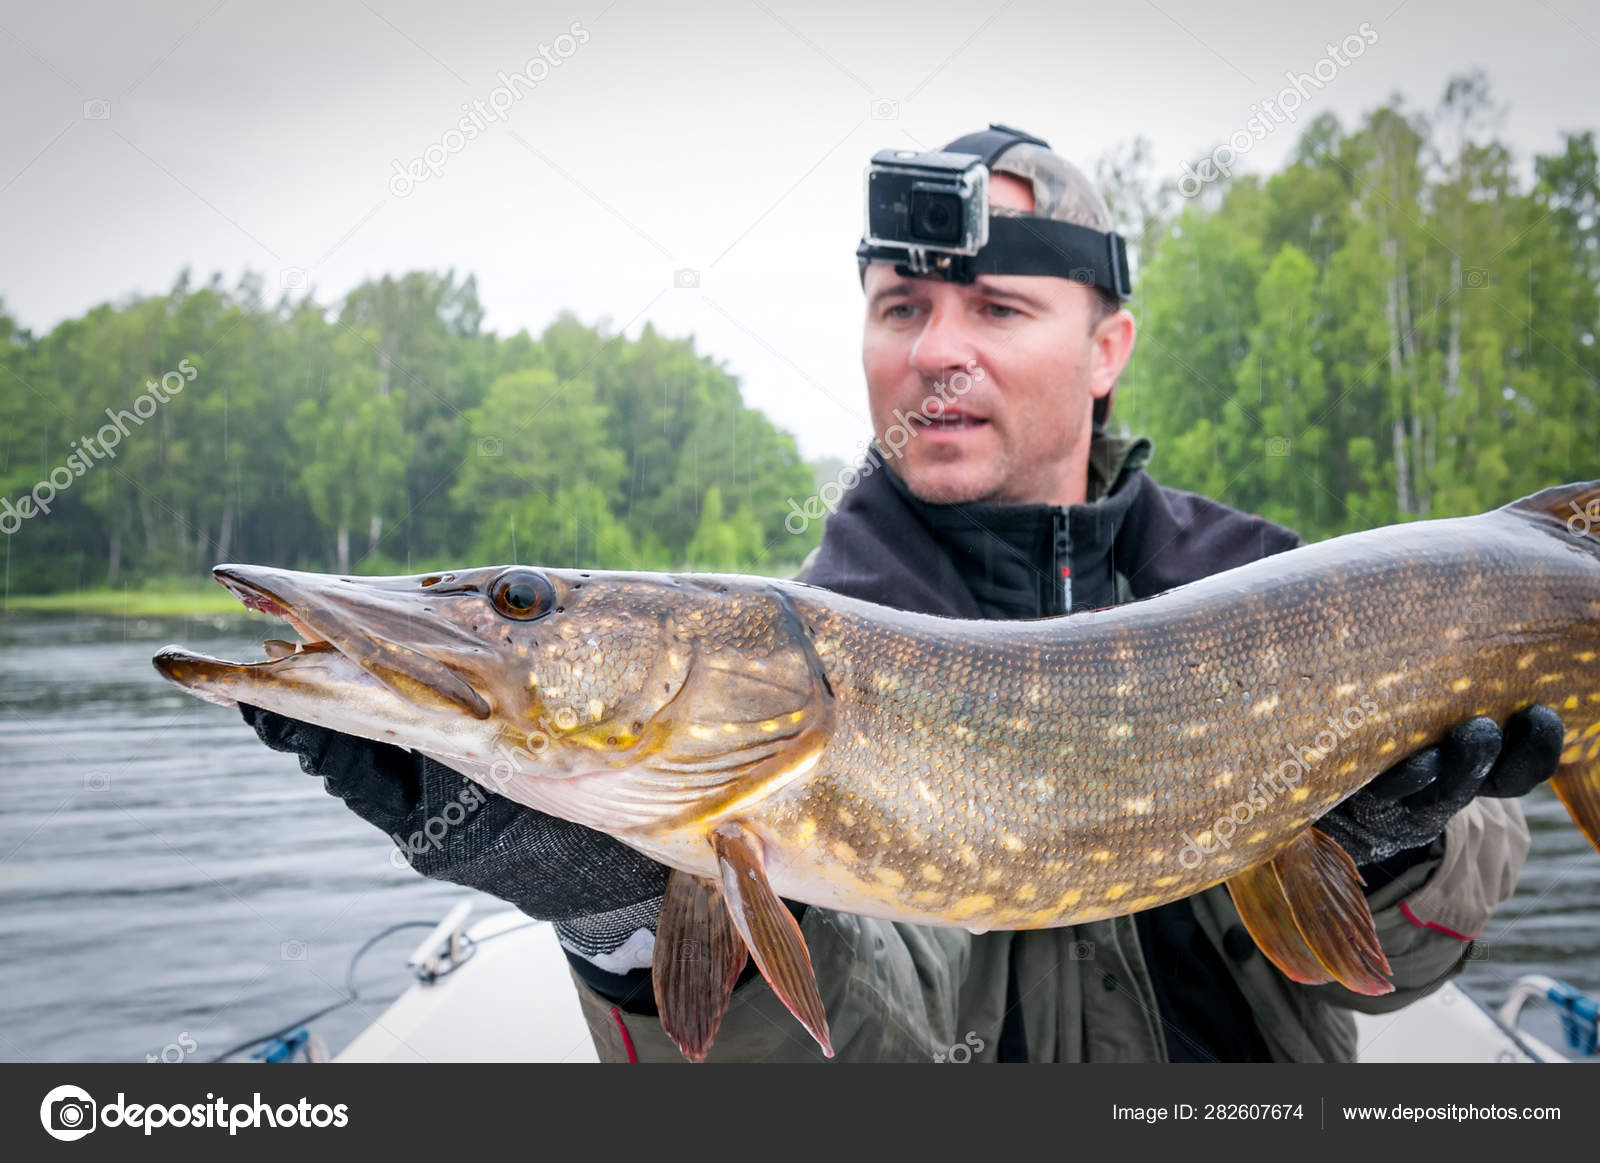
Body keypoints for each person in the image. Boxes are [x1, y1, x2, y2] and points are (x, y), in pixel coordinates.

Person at [242, 126, 1564, 1062]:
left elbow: (1414, 968)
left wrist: (1395, 840)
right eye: (900, 308)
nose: (937, 352)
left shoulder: (1268, 582)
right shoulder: (807, 650)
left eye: (995, 308)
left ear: (1106, 348)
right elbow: (846, 1060)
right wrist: (618, 907)